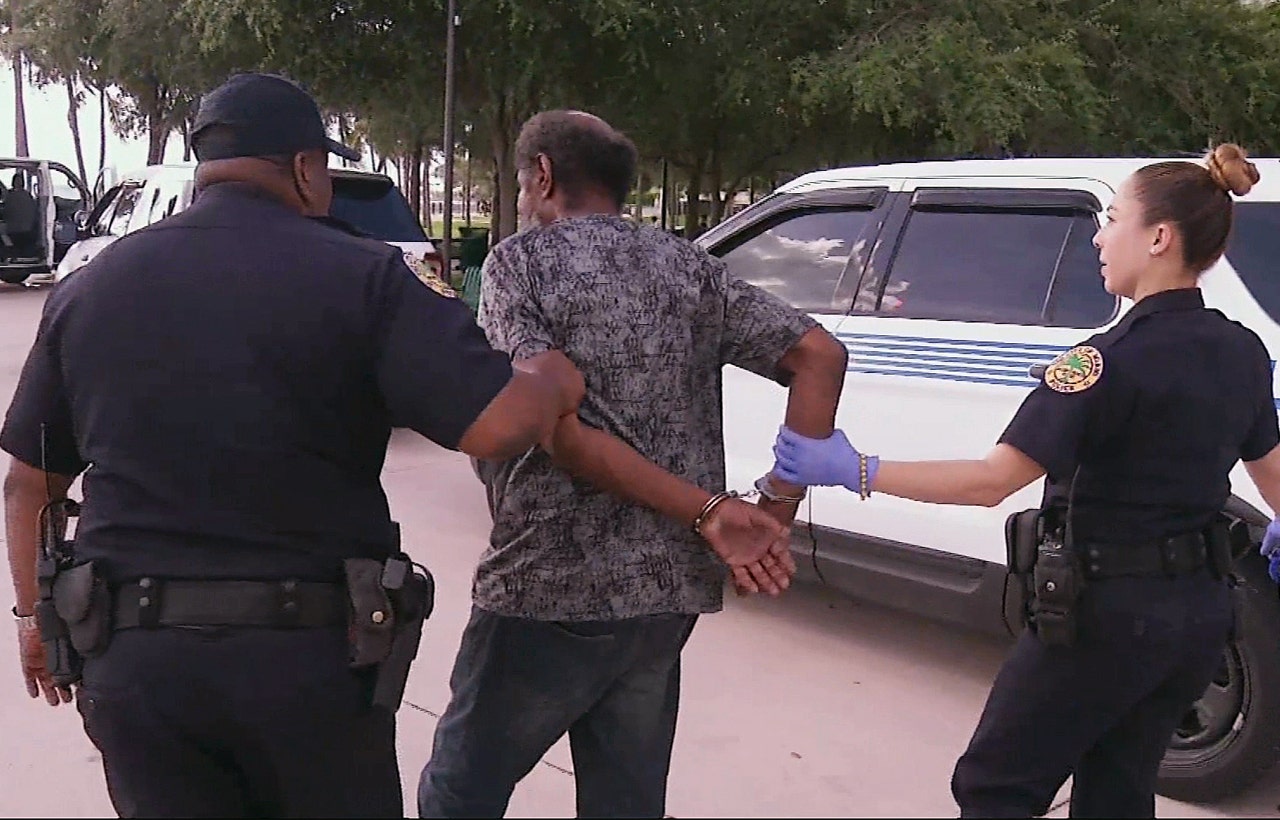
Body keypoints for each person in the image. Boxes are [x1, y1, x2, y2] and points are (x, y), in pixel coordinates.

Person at [2, 72, 587, 818]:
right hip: (305, 670)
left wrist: (32, 622)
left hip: (137, 669)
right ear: (307, 169)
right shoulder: (362, 273)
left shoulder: (93, 285)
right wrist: (551, 378)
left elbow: (29, 483)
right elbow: (498, 424)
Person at [771, 144, 1280, 818]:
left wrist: (853, 468)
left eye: (1112, 219)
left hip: (1107, 619)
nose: (1099, 237)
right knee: (1120, 784)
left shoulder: (1101, 363)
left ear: (1158, 238)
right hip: (1199, 616)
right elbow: (1271, 476)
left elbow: (991, 481)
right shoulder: (1243, 350)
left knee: (995, 786)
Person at [416, 110, 850, 818]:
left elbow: (553, 426)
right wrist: (772, 514)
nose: (524, 204)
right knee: (626, 798)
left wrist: (716, 514)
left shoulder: (519, 264)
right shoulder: (692, 267)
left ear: (544, 176)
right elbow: (820, 356)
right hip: (667, 592)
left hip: (549, 583)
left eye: (524, 188)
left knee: (460, 792)